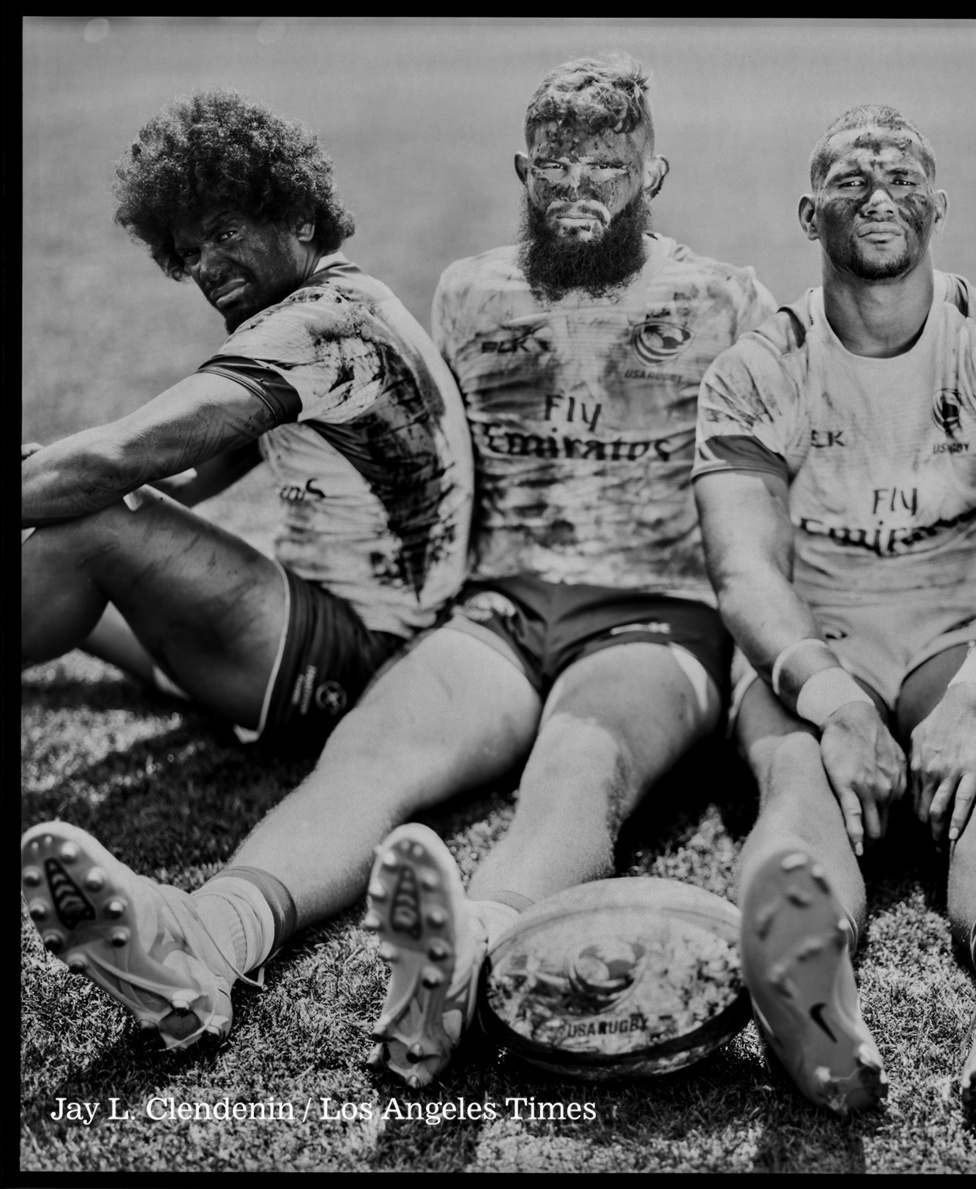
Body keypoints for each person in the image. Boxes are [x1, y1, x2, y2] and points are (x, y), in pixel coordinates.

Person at [21, 57, 777, 1083]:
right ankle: (204, 941)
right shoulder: (472, 293)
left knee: (578, 768)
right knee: (368, 759)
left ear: (655, 173)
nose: (579, 185)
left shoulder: (728, 300)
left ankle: (471, 950)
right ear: (521, 168)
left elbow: (772, 489)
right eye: (554, 164)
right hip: (493, 613)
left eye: (607, 162)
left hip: (652, 616)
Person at [692, 105, 976, 1124]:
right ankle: (811, 993)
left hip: (955, 636)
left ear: (938, 205)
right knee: (793, 774)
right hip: (816, 635)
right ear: (809, 213)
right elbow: (744, 570)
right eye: (850, 177)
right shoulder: (759, 364)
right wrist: (835, 702)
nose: (877, 189)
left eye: (899, 174)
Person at [21, 87, 472, 750]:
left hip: (354, 662)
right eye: (189, 251)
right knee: (77, 519)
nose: (206, 266)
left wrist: (64, 481)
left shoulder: (317, 330)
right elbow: (184, 479)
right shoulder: (348, 300)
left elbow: (120, 459)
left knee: (93, 523)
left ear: (299, 217)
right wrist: (47, 477)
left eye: (225, 232)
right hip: (340, 636)